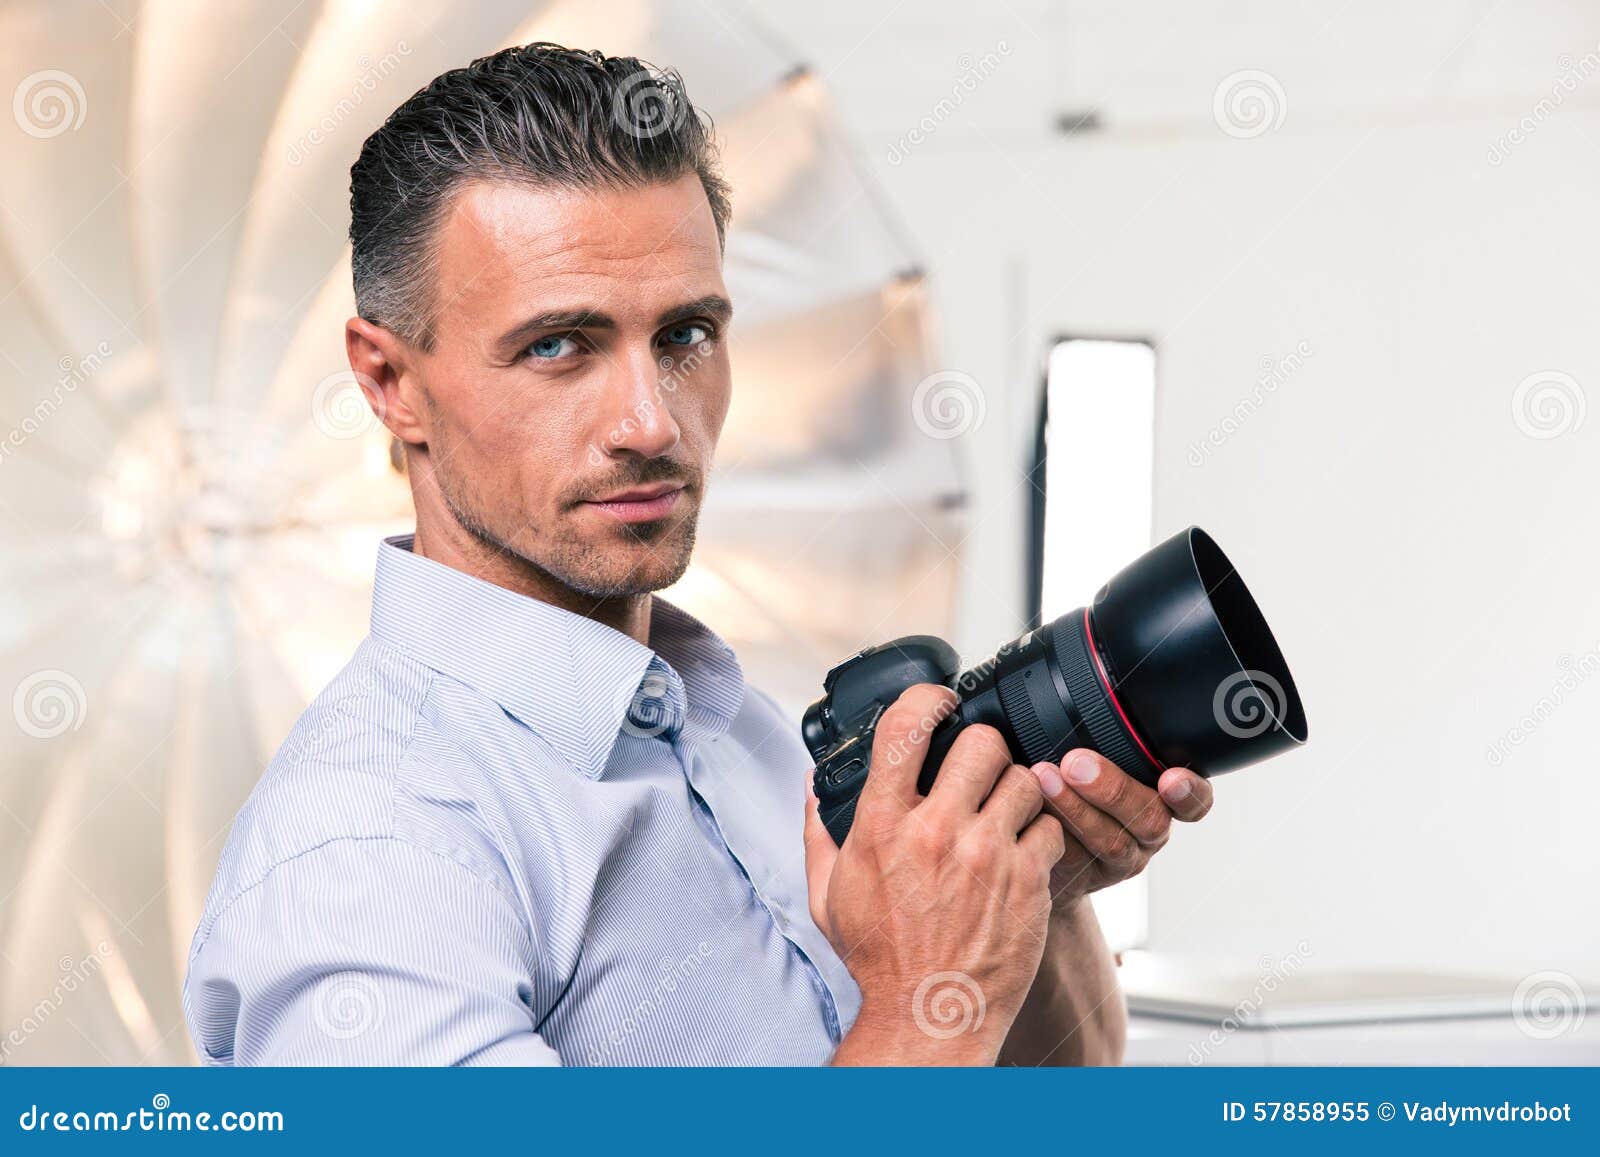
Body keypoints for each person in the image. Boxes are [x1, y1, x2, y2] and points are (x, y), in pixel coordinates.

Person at [183, 42, 1213, 1067]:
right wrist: (915, 1001)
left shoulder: (741, 733)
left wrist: (1022, 896)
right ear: (389, 381)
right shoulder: (370, 858)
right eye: (557, 345)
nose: (649, 422)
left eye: (683, 334)